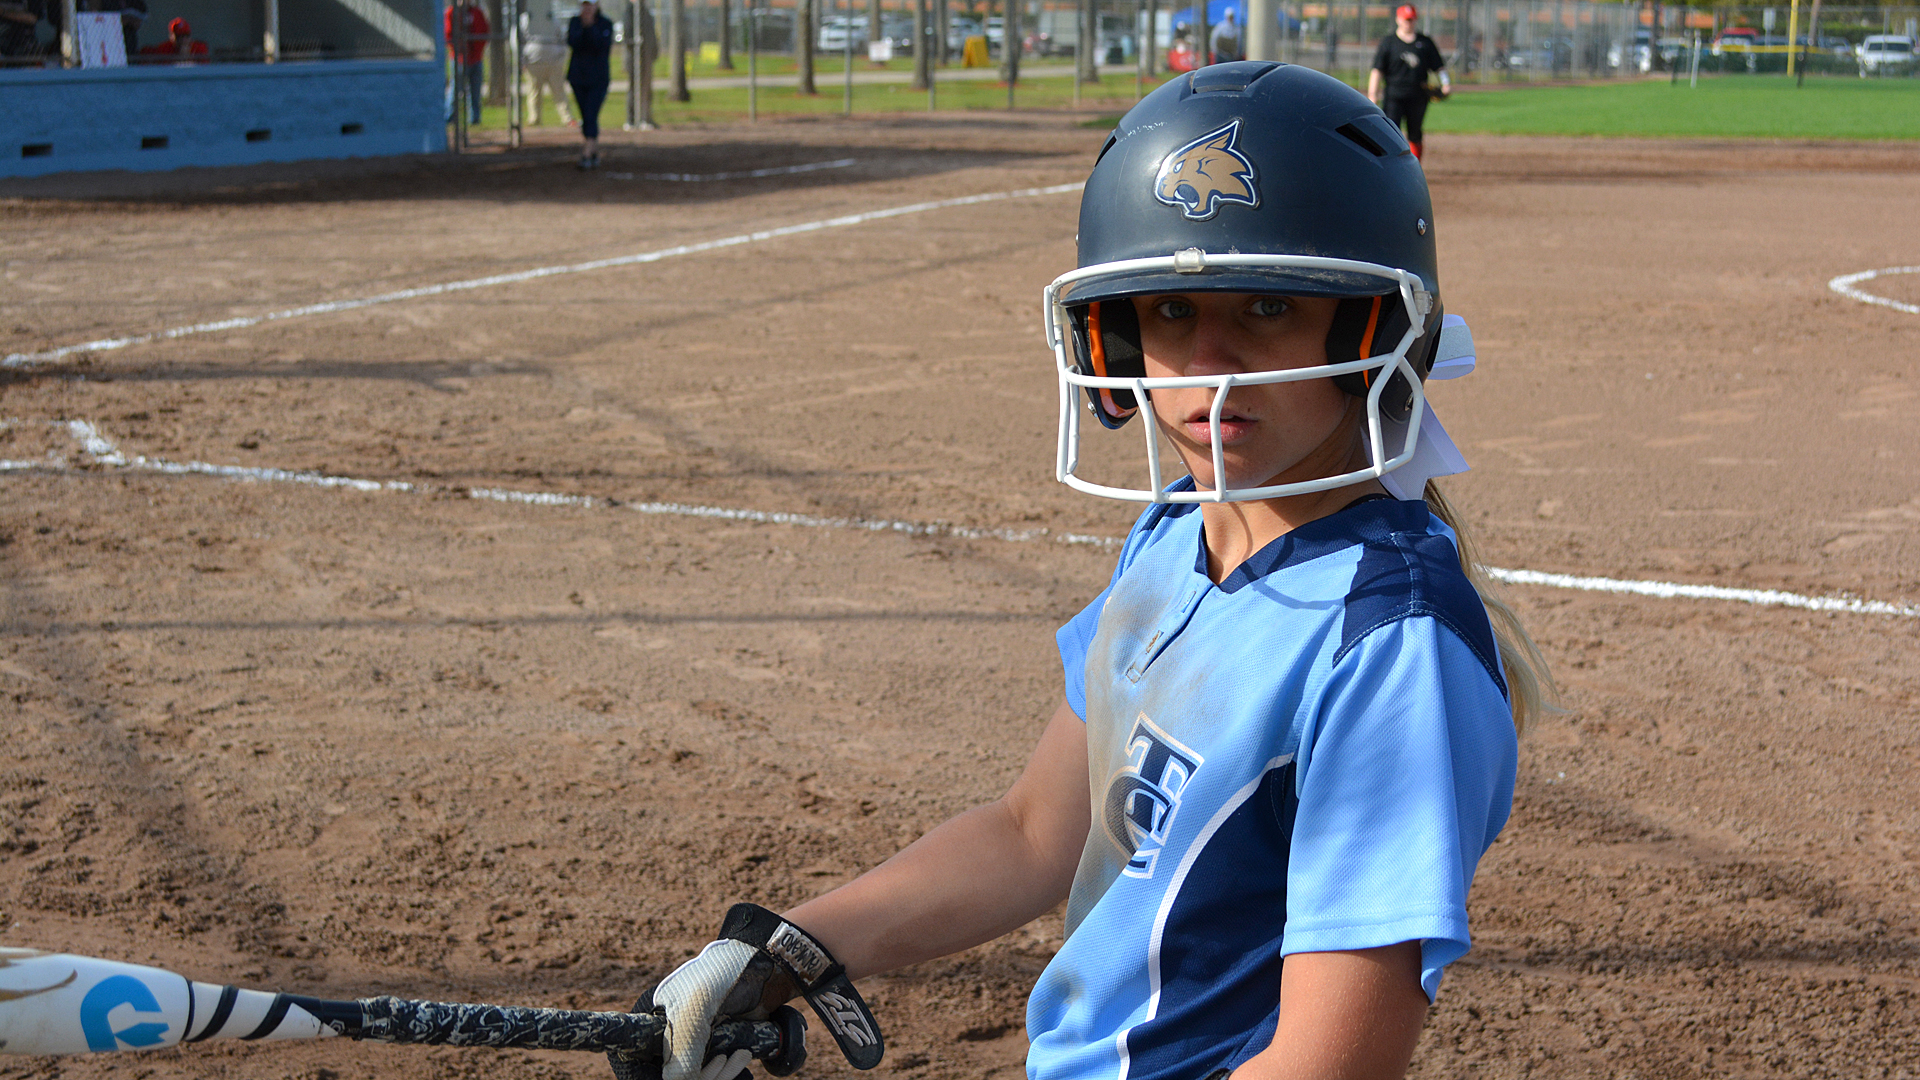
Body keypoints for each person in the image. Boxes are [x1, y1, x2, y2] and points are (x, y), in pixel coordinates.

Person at [618, 62, 1551, 1080]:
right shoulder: (1172, 539)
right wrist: (780, 953)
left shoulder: (1388, 643)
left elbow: (1332, 1065)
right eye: (1170, 313)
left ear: (1371, 329)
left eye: (1271, 305)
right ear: (1113, 334)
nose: (1210, 365)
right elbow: (1031, 835)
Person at [1369, 4, 1448, 161]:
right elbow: (1377, 70)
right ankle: (1392, 166)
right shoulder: (1389, 42)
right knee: (1391, 133)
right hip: (1394, 96)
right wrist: (1373, 94)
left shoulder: (1425, 42)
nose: (1409, 23)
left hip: (1418, 96)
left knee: (1415, 133)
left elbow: (1439, 67)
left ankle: (1415, 167)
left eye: (1412, 20)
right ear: (1398, 20)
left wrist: (1446, 84)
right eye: (1406, 19)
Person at [566, 0, 614, 170]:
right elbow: (573, 43)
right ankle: (593, 151)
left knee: (590, 113)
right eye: (584, 5)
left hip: (598, 78)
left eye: (590, 5)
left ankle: (586, 152)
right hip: (579, 78)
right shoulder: (575, 23)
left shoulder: (605, 23)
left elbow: (601, 46)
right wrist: (584, 27)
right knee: (586, 115)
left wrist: (591, 27)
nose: (587, 8)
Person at [520, 9, 575, 127]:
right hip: (533, 63)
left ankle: (567, 119)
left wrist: (560, 57)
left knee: (559, 92)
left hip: (554, 63)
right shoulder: (525, 20)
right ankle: (534, 119)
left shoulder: (552, 18)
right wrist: (522, 60)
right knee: (534, 93)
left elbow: (562, 39)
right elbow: (517, 41)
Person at [444, 0, 489, 125]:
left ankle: (475, 118)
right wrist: (460, 50)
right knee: (455, 89)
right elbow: (448, 35)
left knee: (475, 91)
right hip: (459, 59)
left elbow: (484, 32)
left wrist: (476, 52)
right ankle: (449, 117)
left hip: (476, 59)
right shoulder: (451, 13)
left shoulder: (477, 12)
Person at [137, 15, 207, 59]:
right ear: (171, 36)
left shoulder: (199, 48)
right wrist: (180, 57)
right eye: (179, 36)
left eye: (186, 36)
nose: (183, 40)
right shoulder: (164, 49)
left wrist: (188, 57)